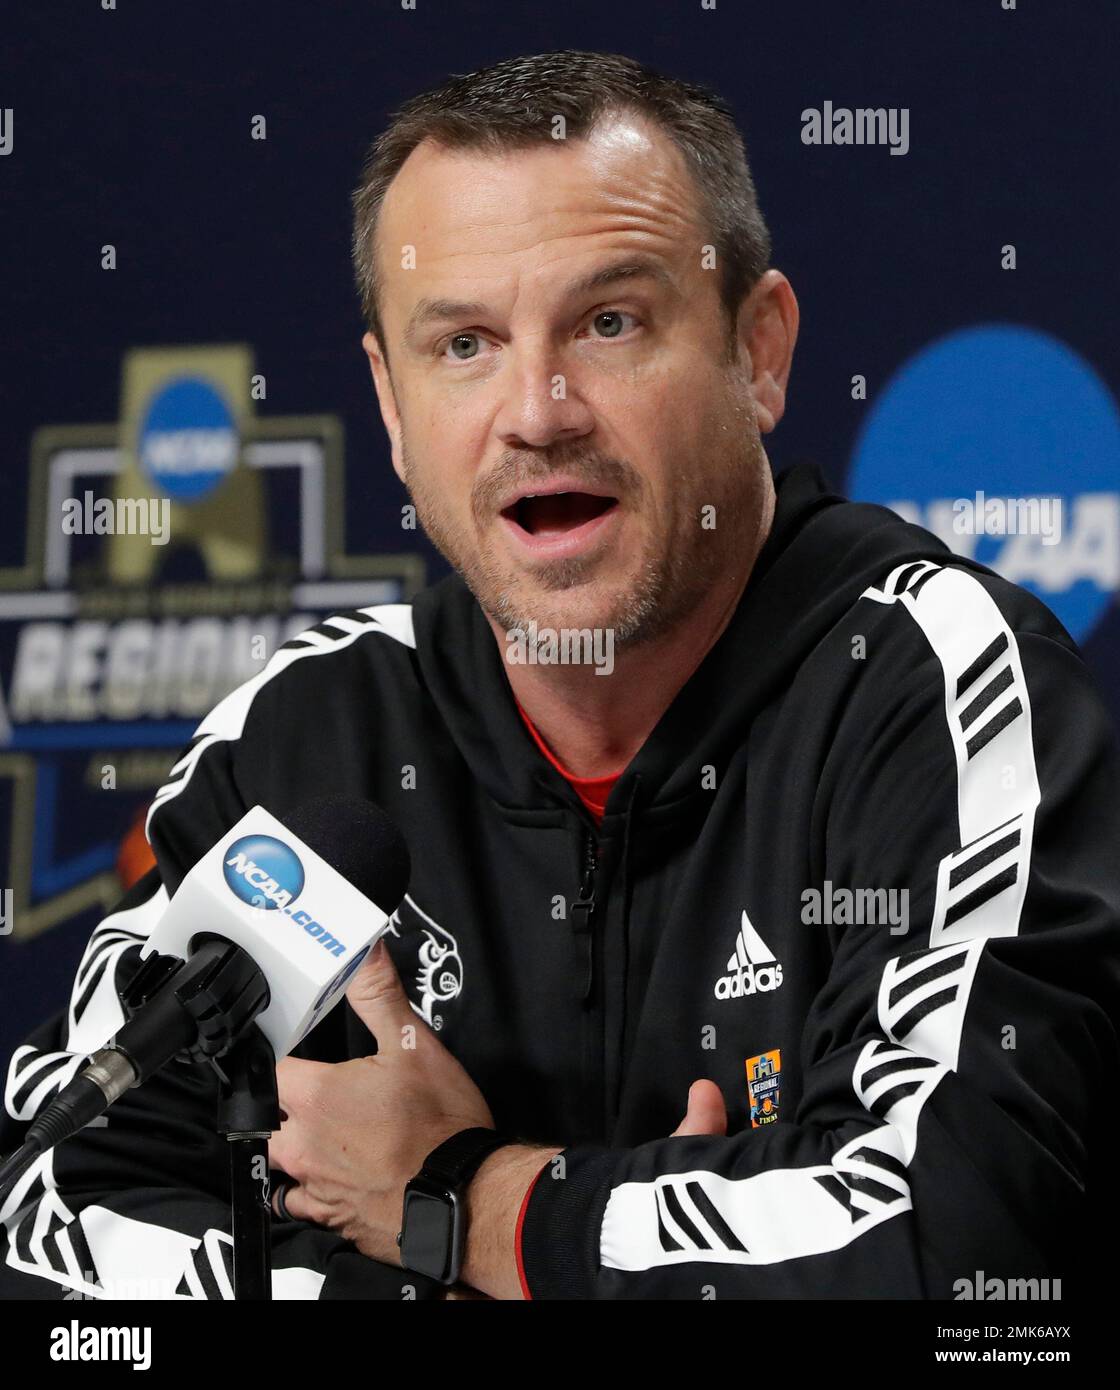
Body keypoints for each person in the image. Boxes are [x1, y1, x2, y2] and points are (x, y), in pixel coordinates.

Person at [2, 48, 1118, 1302]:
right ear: (389, 404)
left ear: (760, 352)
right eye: (464, 344)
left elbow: (954, 1241)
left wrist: (468, 1202)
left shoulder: (933, 682)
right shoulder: (314, 733)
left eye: (609, 322)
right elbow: (46, 1209)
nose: (538, 410)